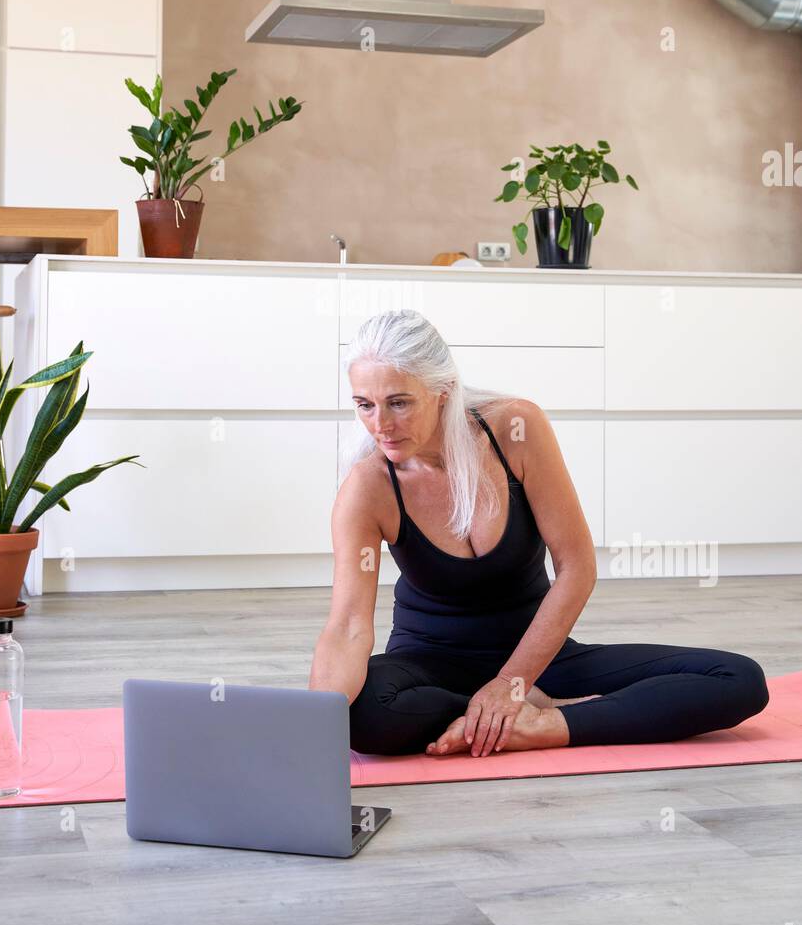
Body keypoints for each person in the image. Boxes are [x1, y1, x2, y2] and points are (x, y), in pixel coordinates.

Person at [308, 309, 769, 758]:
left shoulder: (515, 428)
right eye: (364, 405)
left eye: (399, 402)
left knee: (738, 678)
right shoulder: (367, 487)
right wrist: (312, 729)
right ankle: (511, 718)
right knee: (362, 713)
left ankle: (544, 724)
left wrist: (513, 685)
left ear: (443, 390)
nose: (380, 425)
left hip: (541, 660)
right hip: (431, 668)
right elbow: (348, 626)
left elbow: (577, 568)